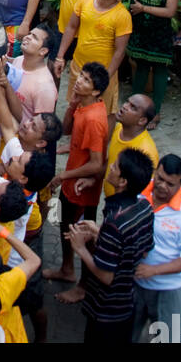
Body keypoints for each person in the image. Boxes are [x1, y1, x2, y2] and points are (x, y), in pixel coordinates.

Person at [70, 146, 155, 344]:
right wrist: (99, 232)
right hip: (128, 301)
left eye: (115, 166)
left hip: (107, 309)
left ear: (123, 182)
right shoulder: (144, 208)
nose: (111, 168)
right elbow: (141, 251)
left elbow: (106, 276)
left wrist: (80, 249)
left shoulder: (114, 223)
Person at [44, 61, 110, 298]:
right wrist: (71, 104)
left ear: (95, 91)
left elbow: (96, 163)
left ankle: (85, 284)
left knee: (83, 234)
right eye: (80, 76)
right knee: (65, 225)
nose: (78, 81)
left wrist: (63, 175)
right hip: (73, 183)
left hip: (82, 188)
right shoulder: (84, 106)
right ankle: (67, 269)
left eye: (85, 80)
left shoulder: (94, 119)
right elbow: (66, 130)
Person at [54, 0, 132, 117]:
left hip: (102, 73)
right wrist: (60, 56)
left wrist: (106, 78)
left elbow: (120, 51)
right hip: (79, 67)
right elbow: (71, 28)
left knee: (103, 113)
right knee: (74, 107)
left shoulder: (123, 16)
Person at [123, 0, 179, 124]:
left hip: (159, 33)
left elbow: (170, 11)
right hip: (140, 30)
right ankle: (135, 107)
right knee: (141, 66)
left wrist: (143, 8)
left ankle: (154, 112)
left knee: (160, 69)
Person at [134, 154, 181, 341]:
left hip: (170, 290)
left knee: (169, 338)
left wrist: (153, 270)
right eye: (160, 178)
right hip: (135, 284)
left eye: (170, 184)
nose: (162, 186)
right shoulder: (139, 190)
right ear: (156, 172)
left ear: (180, 185)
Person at [104, 95, 158, 198]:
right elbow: (110, 160)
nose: (124, 106)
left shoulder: (146, 152)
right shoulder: (120, 128)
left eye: (133, 107)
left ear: (142, 120)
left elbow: (144, 193)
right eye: (127, 102)